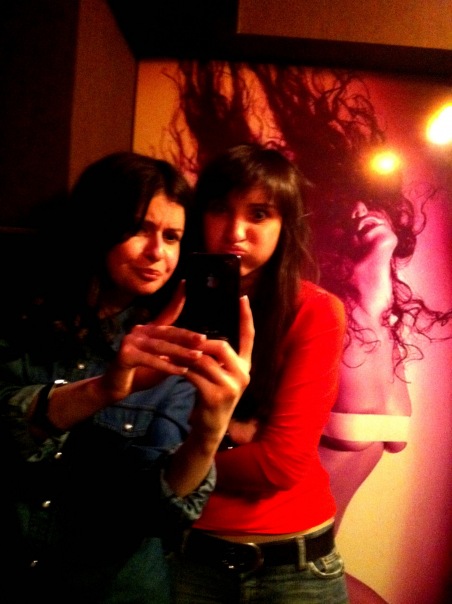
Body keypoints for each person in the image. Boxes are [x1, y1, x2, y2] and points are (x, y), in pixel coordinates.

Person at [0, 152, 254, 604]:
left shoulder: (173, 350)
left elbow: (161, 516)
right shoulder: (18, 321)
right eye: (140, 229)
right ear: (98, 226)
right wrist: (102, 390)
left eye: (172, 237)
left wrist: (209, 432)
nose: (158, 253)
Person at [170, 143, 348, 603]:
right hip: (185, 555)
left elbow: (279, 464)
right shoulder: (167, 303)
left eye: (259, 214)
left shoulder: (314, 311)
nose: (235, 232)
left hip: (292, 566)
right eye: (219, 210)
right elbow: (131, 435)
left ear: (284, 224)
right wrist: (233, 433)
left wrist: (182, 449)